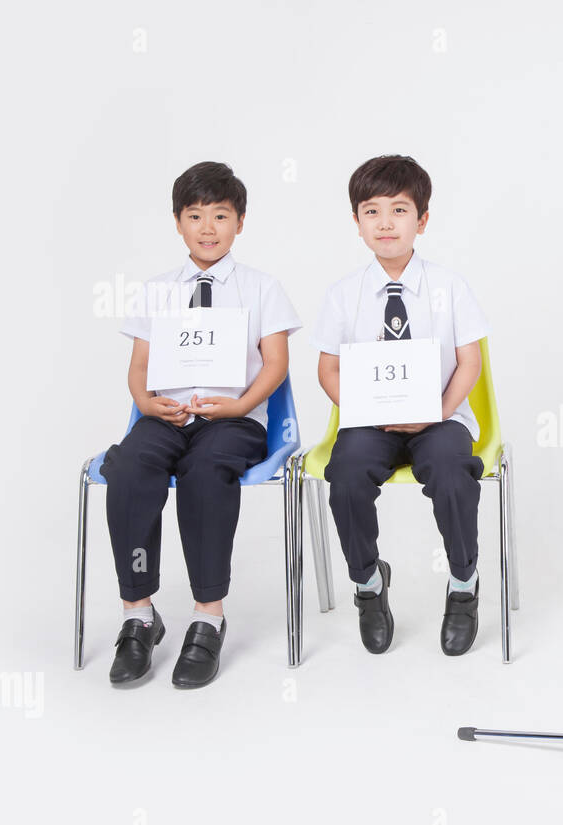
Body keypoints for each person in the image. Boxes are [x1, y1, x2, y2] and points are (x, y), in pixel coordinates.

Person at [103, 161, 301, 688]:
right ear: (177, 222)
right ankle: (138, 612)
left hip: (232, 420)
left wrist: (239, 408)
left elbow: (276, 364)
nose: (208, 228)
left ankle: (207, 614)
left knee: (207, 471)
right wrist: (146, 403)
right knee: (128, 469)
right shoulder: (158, 289)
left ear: (240, 222)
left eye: (220, 215)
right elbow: (140, 367)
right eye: (195, 216)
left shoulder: (262, 288)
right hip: (167, 415)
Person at [312, 155, 490, 657]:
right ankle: (368, 584)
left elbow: (469, 362)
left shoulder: (450, 287)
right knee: (345, 475)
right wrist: (367, 409)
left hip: (438, 417)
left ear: (422, 219)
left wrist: (434, 411)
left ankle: (462, 582)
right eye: (372, 212)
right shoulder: (344, 295)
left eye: (399, 209)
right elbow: (327, 370)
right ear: (357, 223)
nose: (386, 223)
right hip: (372, 422)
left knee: (453, 471)